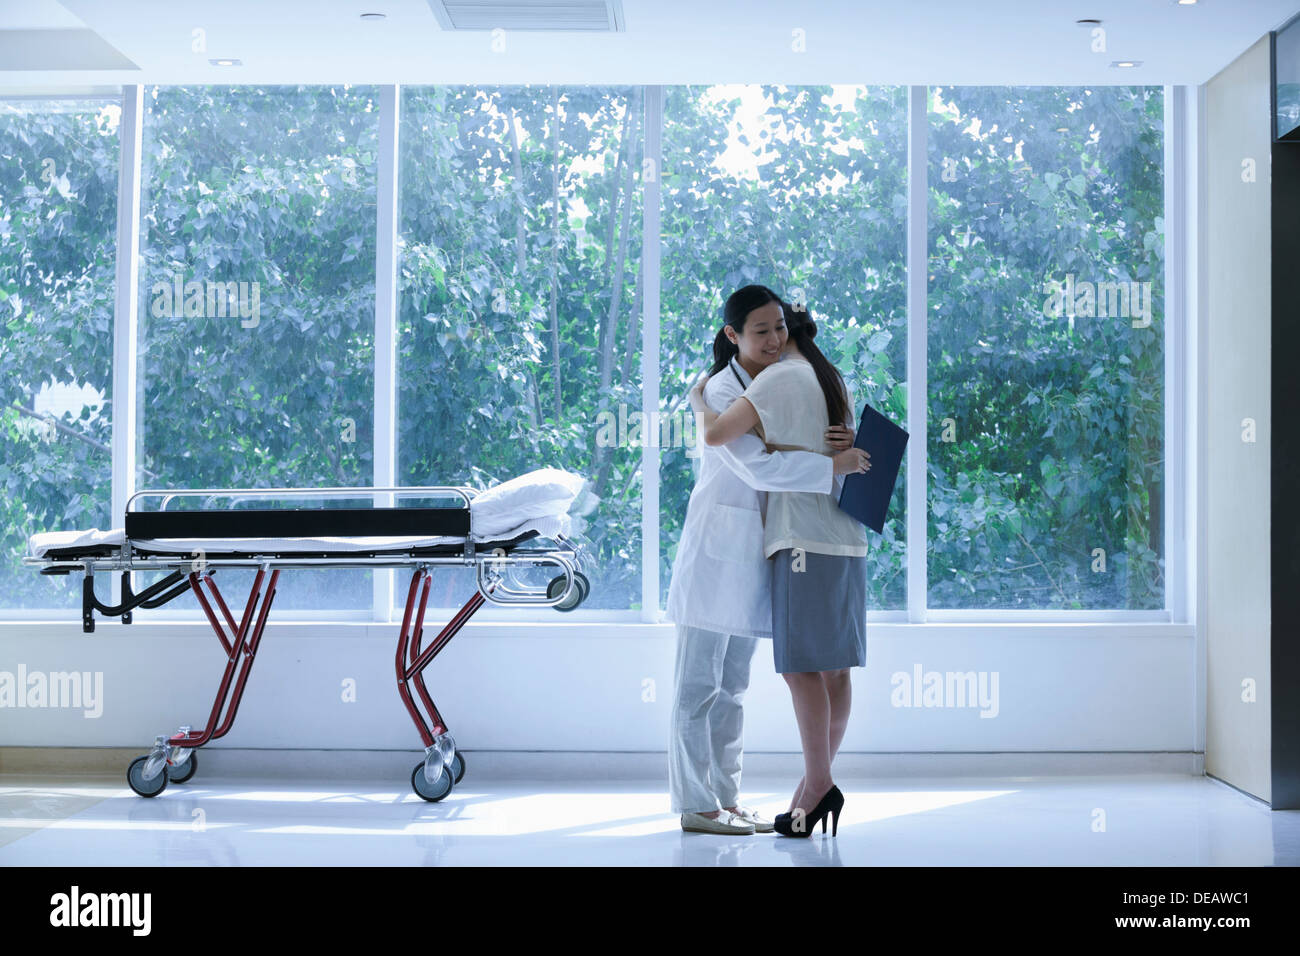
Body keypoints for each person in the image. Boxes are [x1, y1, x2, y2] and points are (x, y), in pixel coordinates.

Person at [666, 285, 869, 835]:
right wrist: (836, 465)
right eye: (762, 331)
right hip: (716, 553)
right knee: (696, 687)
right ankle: (695, 802)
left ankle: (726, 797)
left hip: (761, 555)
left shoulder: (779, 380)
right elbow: (759, 469)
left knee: (733, 687)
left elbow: (803, 445)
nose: (776, 339)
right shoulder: (720, 389)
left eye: (781, 326)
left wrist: (840, 445)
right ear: (733, 335)